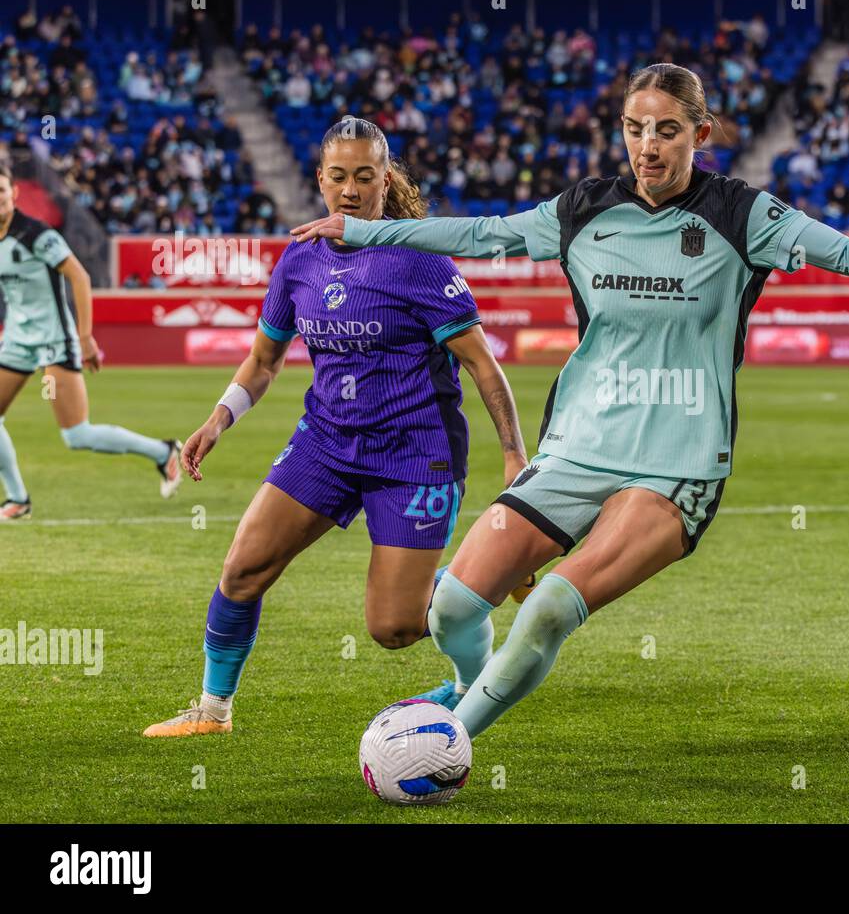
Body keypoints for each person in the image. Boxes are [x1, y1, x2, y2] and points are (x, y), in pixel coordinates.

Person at [292, 63, 849, 740]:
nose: (647, 146)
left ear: (700, 132)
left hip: (677, 462)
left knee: (545, 610)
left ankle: (451, 740)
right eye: (634, 130)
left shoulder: (745, 215)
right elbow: (484, 235)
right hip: (580, 445)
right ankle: (462, 685)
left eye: (666, 131)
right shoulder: (585, 210)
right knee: (450, 605)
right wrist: (364, 232)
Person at [142, 117, 528, 737]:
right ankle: (214, 712)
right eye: (339, 177)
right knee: (243, 569)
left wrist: (513, 457)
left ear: (385, 180)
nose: (350, 190)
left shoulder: (418, 259)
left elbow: (483, 366)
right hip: (325, 442)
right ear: (320, 180)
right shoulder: (299, 260)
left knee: (394, 628)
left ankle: (477, 627)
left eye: (365, 177)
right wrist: (219, 418)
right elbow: (264, 361)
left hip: (414, 453)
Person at [0, 165, 180, 520]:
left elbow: (79, 277)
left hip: (55, 340)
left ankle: (163, 452)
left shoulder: (36, 234)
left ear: (13, 194)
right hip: (18, 341)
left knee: (77, 435)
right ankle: (18, 499)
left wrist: (84, 338)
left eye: (1, 191)